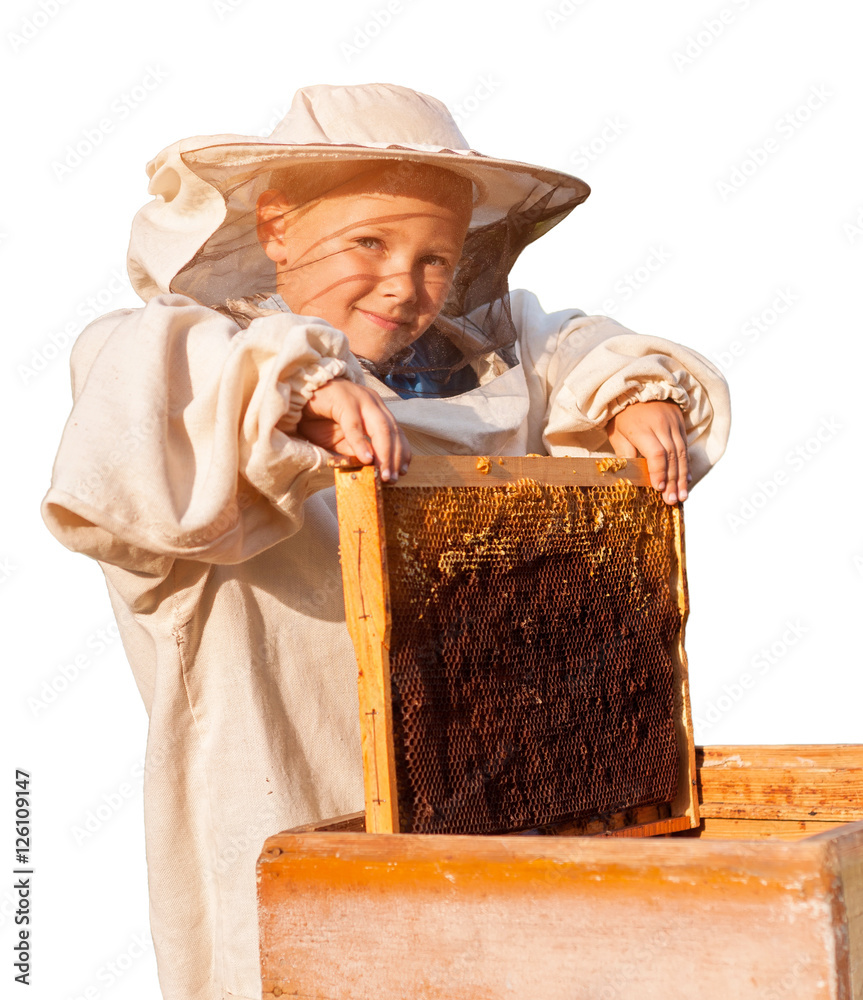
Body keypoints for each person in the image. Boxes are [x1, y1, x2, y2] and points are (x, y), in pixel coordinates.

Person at [42, 83, 730, 1000]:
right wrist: (300, 395)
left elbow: (567, 349)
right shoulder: (192, 381)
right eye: (368, 242)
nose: (404, 284)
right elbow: (150, 375)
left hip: (492, 833)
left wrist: (636, 394)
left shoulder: (490, 372)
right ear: (277, 227)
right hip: (283, 824)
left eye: (436, 257)